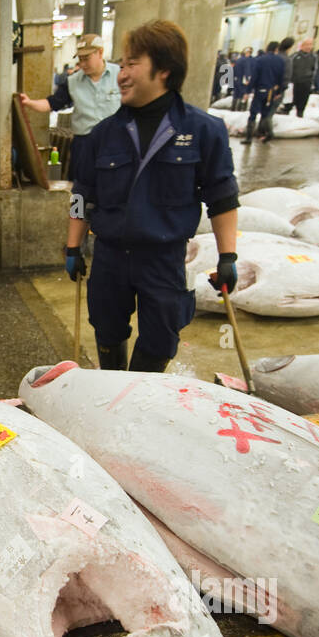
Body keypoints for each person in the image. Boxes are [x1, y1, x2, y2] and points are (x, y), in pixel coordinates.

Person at [67, 19, 240, 373]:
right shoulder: (102, 134)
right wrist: (73, 245)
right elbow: (82, 195)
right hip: (111, 256)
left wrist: (228, 256)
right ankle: (112, 390)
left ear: (163, 69)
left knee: (161, 337)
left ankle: (141, 394)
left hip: (163, 258)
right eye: (122, 64)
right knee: (107, 328)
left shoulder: (203, 130)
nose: (122, 74)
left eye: (132, 64)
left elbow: (222, 198)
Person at [20, 34, 121, 167]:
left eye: (87, 58)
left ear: (100, 53)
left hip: (114, 142)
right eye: (80, 59)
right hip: (84, 143)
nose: (83, 64)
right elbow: (52, 103)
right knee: (82, 185)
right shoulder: (73, 81)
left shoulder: (120, 75)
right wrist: (29, 102)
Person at [244, 41, 284, 142]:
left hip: (260, 91)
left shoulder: (261, 60)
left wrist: (248, 91)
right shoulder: (280, 61)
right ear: (276, 49)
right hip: (271, 92)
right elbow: (281, 78)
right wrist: (278, 92)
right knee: (265, 114)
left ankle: (249, 138)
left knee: (253, 114)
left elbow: (254, 77)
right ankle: (268, 133)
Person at [288, 38, 317, 117]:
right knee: (290, 102)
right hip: (295, 83)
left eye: (311, 44)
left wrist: (312, 83)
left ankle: (300, 115)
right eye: (307, 44)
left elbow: (314, 70)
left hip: (306, 83)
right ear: (302, 46)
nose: (309, 47)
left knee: (302, 103)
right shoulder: (295, 56)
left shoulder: (313, 57)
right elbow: (289, 68)